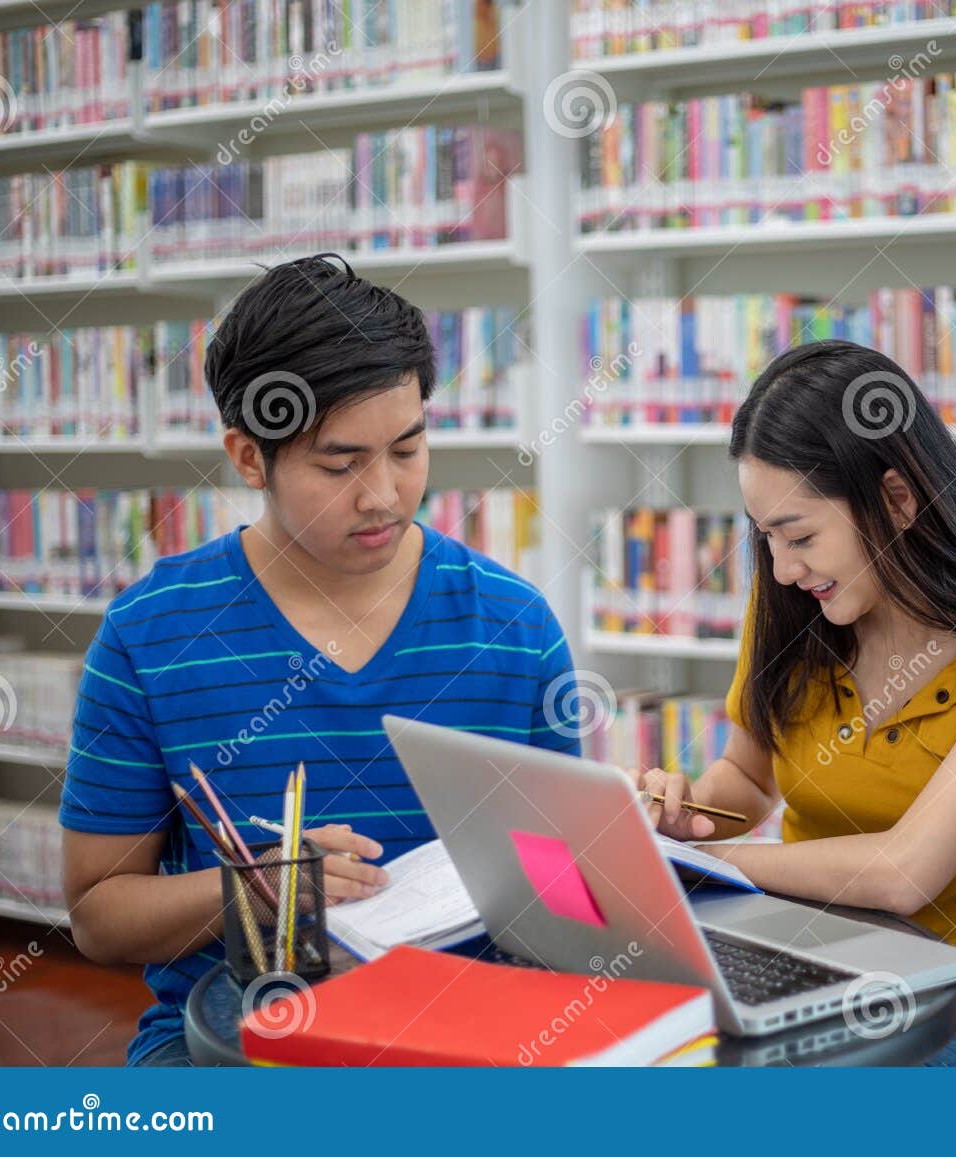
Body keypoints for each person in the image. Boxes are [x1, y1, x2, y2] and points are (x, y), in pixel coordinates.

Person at [60, 254, 579, 1066]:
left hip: (473, 1041)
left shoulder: (513, 621)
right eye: (340, 465)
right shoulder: (148, 635)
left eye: (407, 449)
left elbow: (565, 883)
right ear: (248, 456)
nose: (383, 495)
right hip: (233, 1044)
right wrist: (261, 892)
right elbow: (97, 914)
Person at [632, 339, 956, 1066]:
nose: (784, 569)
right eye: (767, 539)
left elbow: (906, 871)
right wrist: (679, 812)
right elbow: (750, 782)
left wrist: (712, 861)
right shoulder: (795, 598)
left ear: (897, 499)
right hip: (793, 962)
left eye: (800, 536)